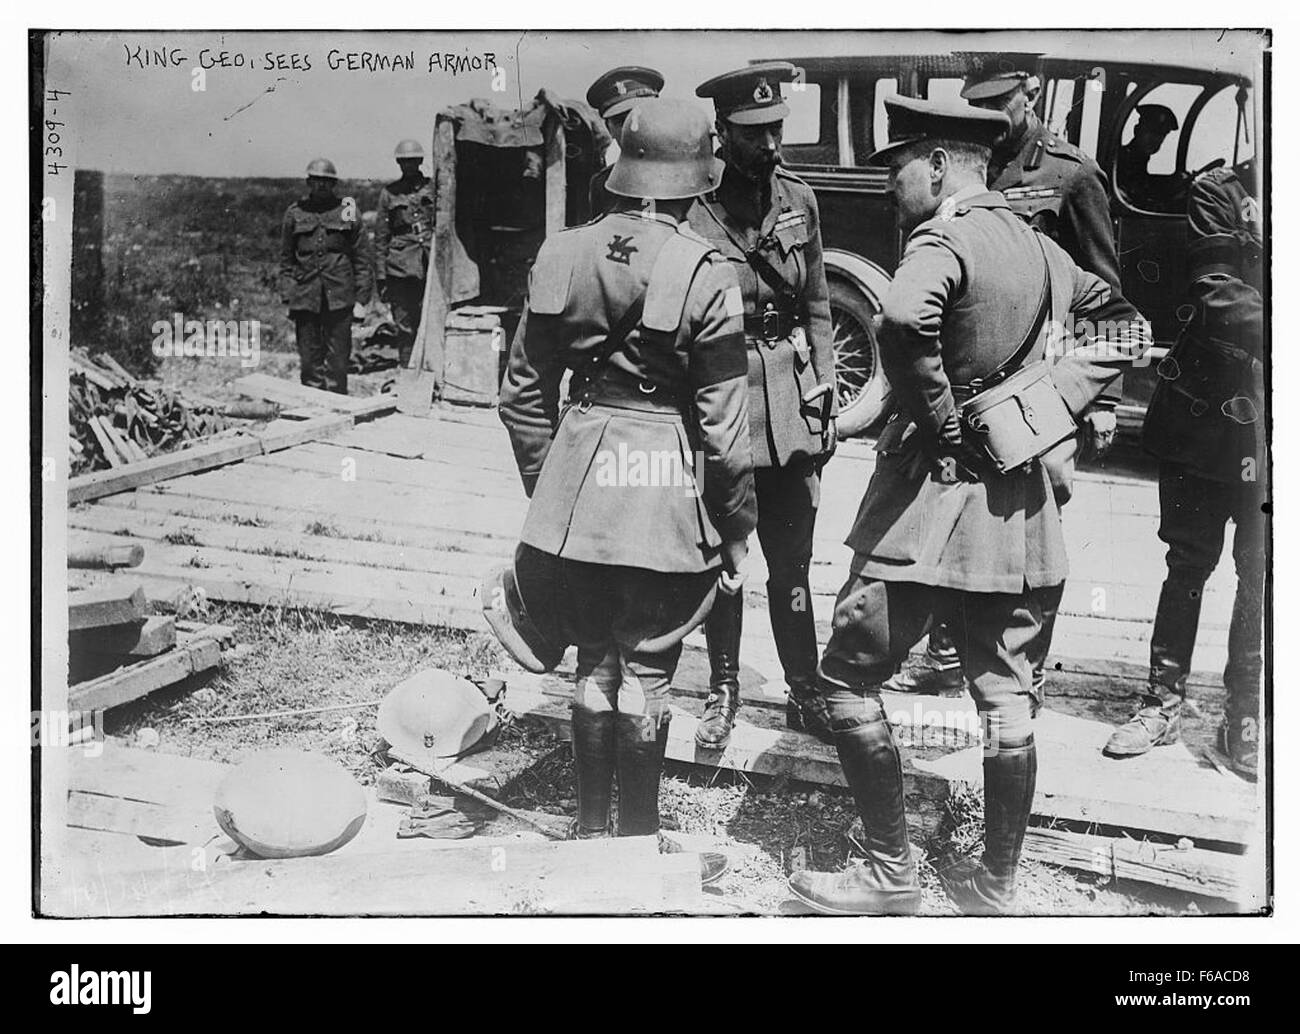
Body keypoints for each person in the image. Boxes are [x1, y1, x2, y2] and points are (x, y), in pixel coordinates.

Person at [787, 96, 1149, 915]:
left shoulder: (942, 238)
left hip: (925, 504)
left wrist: (950, 421)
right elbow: (1127, 329)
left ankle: (889, 873)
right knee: (1008, 699)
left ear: (941, 167)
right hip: (1019, 516)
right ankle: (996, 886)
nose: (890, 185)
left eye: (899, 167)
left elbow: (900, 316)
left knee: (845, 677)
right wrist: (1037, 412)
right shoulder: (1042, 248)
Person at [494, 98, 757, 847]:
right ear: (696, 180)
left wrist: (556, 490)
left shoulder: (560, 254)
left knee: (591, 660)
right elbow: (722, 430)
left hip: (576, 491)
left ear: (623, 167)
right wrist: (736, 530)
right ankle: (638, 845)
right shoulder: (707, 274)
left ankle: (588, 834)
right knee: (648, 672)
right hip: (662, 493)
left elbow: (520, 395)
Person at [889, 58, 1126, 698]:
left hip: (1039, 406)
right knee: (958, 524)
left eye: (1001, 100)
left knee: (1029, 543)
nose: (994, 115)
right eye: (978, 102)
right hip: (971, 405)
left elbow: (1107, 295)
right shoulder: (976, 173)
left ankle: (1023, 672)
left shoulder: (1071, 175)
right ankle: (949, 655)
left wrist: (1086, 398)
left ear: (1029, 91)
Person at [688, 61, 838, 749]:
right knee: (726, 554)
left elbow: (817, 305)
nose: (772, 146)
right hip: (722, 398)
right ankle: (723, 686)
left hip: (790, 402)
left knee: (794, 561)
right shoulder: (692, 204)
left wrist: (826, 386)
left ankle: (803, 688)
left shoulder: (800, 199)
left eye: (776, 129)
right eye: (755, 134)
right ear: (723, 132)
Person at [1104, 165, 1265, 777]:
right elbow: (1217, 292)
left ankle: (1244, 715)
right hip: (1205, 424)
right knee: (1188, 567)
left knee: (1262, 577)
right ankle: (1162, 703)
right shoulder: (1221, 192)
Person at [278, 158, 373, 394]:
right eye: (316, 181)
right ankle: (312, 407)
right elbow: (286, 259)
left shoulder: (347, 210)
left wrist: (361, 300)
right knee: (309, 358)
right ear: (308, 182)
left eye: (326, 182)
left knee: (338, 359)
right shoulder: (295, 212)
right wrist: (289, 295)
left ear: (334, 184)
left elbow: (362, 257)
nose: (321, 186)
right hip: (305, 295)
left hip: (340, 295)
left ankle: (336, 405)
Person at [374, 139, 437, 367]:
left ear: (420, 162)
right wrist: (381, 276)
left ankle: (432, 374)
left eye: (412, 161)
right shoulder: (389, 194)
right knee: (405, 324)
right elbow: (381, 236)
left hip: (431, 265)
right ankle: (407, 374)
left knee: (432, 323)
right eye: (404, 162)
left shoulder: (434, 187)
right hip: (400, 268)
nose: (408, 166)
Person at [585, 66, 664, 218]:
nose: (634, 128)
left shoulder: (696, 170)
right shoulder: (603, 185)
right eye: (622, 121)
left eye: (642, 115)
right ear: (609, 128)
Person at [1116, 104, 1180, 212]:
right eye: (1151, 131)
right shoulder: (1122, 159)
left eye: (1162, 134)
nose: (1156, 139)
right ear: (1137, 130)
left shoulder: (1140, 160)